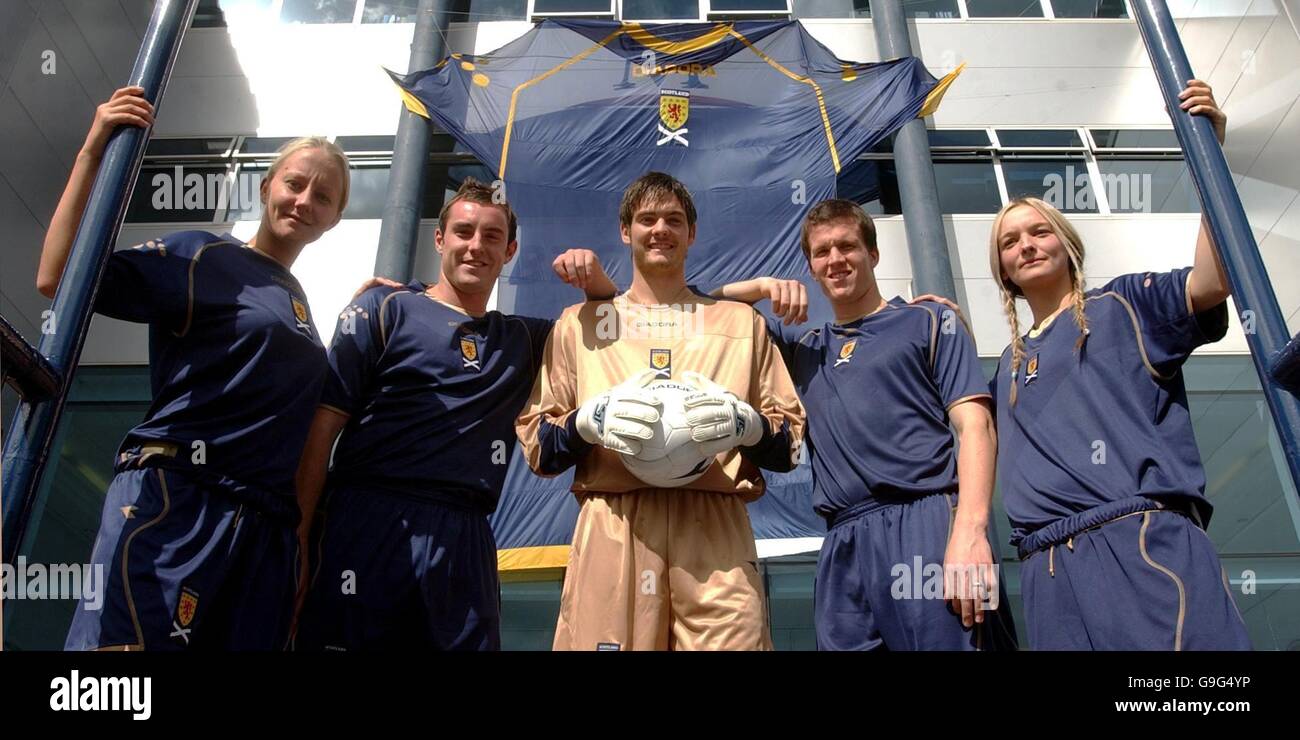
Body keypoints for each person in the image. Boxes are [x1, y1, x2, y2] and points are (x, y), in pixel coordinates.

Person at [42, 87, 350, 650]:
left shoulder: (302, 305)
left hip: (261, 529)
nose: (305, 201)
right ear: (266, 187)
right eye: (295, 183)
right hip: (176, 498)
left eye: (323, 197)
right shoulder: (201, 256)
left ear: (334, 219)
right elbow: (60, 275)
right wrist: (92, 152)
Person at [292, 179, 620, 650]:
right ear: (439, 239)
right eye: (464, 231)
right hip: (366, 523)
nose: (475, 246)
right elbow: (321, 429)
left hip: (466, 534)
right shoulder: (383, 308)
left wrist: (600, 287)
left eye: (491, 236)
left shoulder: (523, 340)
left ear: (509, 251)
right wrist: (299, 540)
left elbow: (624, 331)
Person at [984, 81, 1250, 650]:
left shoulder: (1127, 305)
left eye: (1039, 231)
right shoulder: (1006, 364)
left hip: (1138, 538)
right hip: (1046, 567)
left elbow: (1212, 280)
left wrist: (1211, 159)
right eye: (1010, 241)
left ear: (1068, 244)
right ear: (1002, 269)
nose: (1026, 245)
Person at [516, 171, 805, 651]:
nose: (660, 229)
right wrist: (584, 425)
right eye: (647, 219)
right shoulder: (580, 324)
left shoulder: (740, 323)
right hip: (615, 523)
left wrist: (751, 429)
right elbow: (538, 450)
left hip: (715, 527)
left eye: (673, 219)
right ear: (625, 231)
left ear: (691, 234)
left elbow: (791, 447)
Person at [718, 200, 1018, 650]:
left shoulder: (931, 321)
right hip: (843, 539)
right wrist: (762, 286)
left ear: (872, 255)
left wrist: (972, 531)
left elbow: (976, 427)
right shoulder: (806, 350)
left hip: (927, 522)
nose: (835, 259)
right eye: (822, 253)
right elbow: (702, 307)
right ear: (811, 269)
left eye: (847, 246)